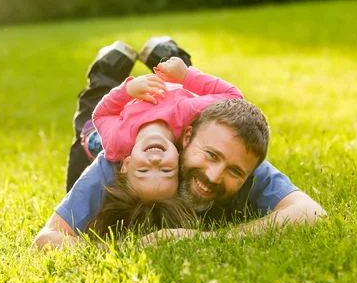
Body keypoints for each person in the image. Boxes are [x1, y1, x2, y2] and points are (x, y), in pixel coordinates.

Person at [33, 37, 325, 249]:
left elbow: (313, 214)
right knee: (89, 133)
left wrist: (205, 239)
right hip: (120, 128)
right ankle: (107, 72)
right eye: (210, 155)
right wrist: (125, 250)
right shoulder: (125, 162)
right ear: (187, 137)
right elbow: (47, 240)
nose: (213, 176)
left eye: (235, 172)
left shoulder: (238, 155)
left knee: (188, 96)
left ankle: (168, 58)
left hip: (180, 112)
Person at [87, 52, 244, 237]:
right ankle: (163, 49)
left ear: (127, 164)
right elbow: (234, 97)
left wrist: (126, 91)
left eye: (143, 171)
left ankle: (113, 56)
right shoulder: (188, 117)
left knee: (92, 141)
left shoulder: (117, 141)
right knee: (172, 64)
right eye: (166, 171)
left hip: (108, 131)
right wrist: (186, 76)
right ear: (179, 161)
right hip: (173, 84)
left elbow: (101, 115)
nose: (155, 160)